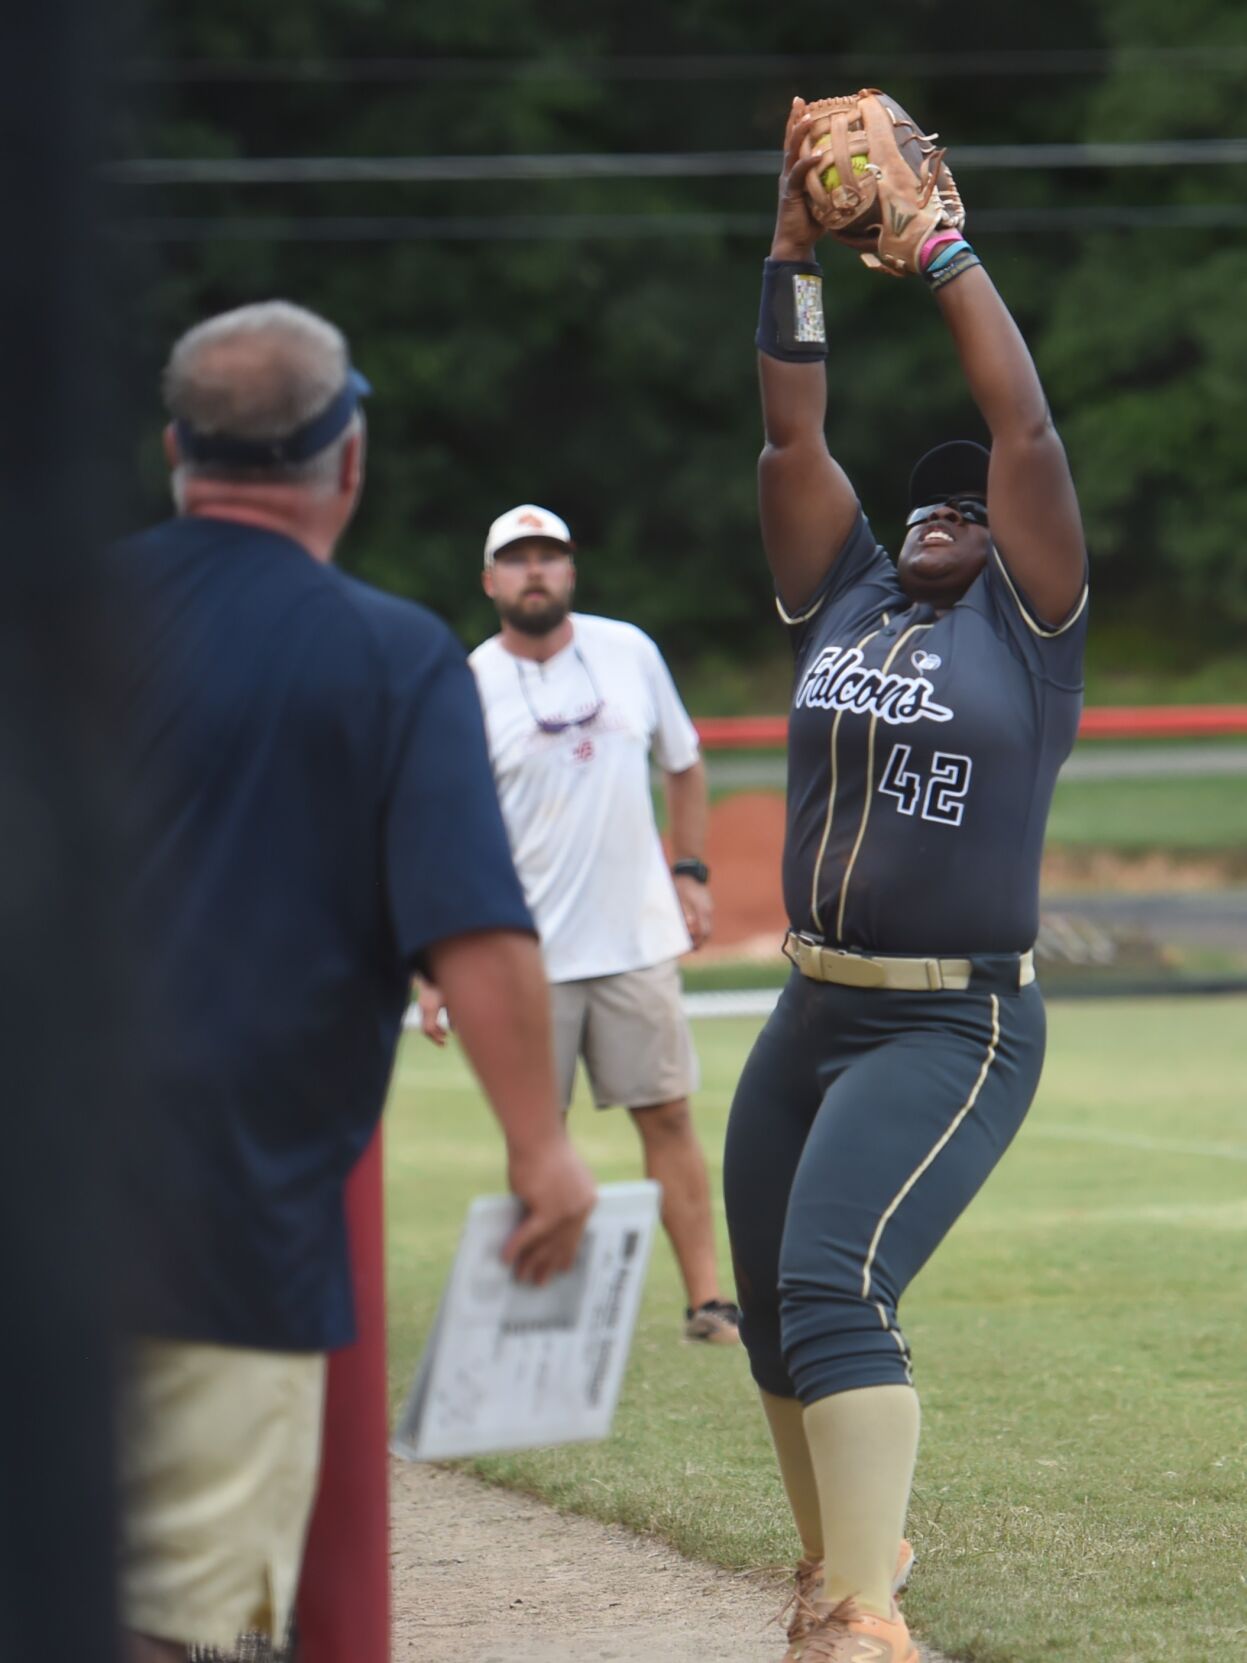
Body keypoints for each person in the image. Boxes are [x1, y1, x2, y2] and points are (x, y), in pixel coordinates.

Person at [110, 302, 595, 1663]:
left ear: (173, 449)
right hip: (220, 1210)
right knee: (168, 1603)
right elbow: (477, 930)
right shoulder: (387, 655)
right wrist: (540, 1146)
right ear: (348, 464)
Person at [723, 97, 1088, 1663]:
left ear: (1003, 543)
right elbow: (792, 435)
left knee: (831, 1277)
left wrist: (938, 252)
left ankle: (874, 1611)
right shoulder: (846, 600)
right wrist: (791, 247)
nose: (943, 513)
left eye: (966, 508)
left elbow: (1020, 436)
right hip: (811, 1006)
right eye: (923, 501)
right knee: (768, 1301)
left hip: (951, 1024)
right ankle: (824, 1575)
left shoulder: (1029, 635)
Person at [417, 503, 741, 1345]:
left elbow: (683, 759)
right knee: (538, 1132)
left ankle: (709, 1300)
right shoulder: (469, 681)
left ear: (571, 570)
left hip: (633, 936)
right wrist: (433, 961)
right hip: (525, 951)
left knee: (667, 1114)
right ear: (490, 581)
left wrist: (689, 870)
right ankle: (541, 1312)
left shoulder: (628, 650)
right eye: (516, 558)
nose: (535, 570)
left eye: (549, 556)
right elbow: (441, 825)